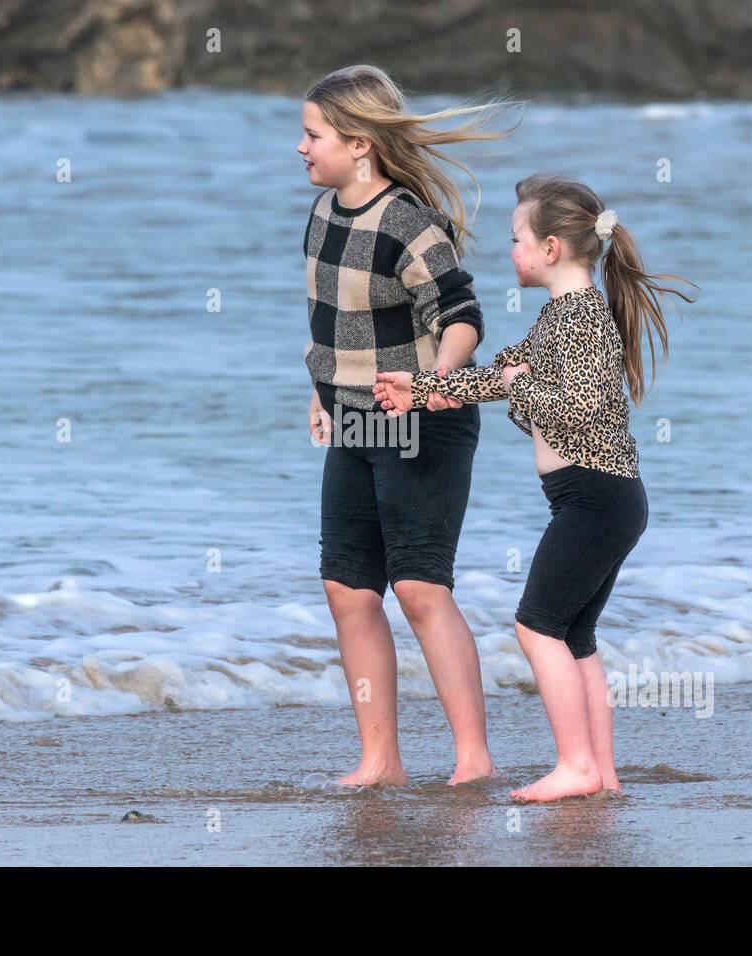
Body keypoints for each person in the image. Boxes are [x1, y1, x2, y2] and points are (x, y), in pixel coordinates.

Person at [374, 173, 697, 801]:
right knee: (574, 635)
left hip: (594, 499)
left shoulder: (579, 319)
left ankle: (575, 766)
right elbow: (502, 376)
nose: (510, 251)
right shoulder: (563, 316)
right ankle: (599, 771)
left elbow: (567, 405)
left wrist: (517, 388)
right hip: (603, 499)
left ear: (551, 248)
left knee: (536, 626)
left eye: (517, 239)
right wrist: (426, 388)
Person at [297, 65, 524, 786]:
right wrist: (322, 393)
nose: (301, 148)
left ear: (359, 143)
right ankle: (380, 761)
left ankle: (473, 760)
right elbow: (335, 318)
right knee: (348, 588)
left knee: (420, 588)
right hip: (356, 415)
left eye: (313, 135)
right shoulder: (326, 211)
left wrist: (432, 385)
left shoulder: (408, 221)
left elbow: (461, 316)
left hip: (421, 417)